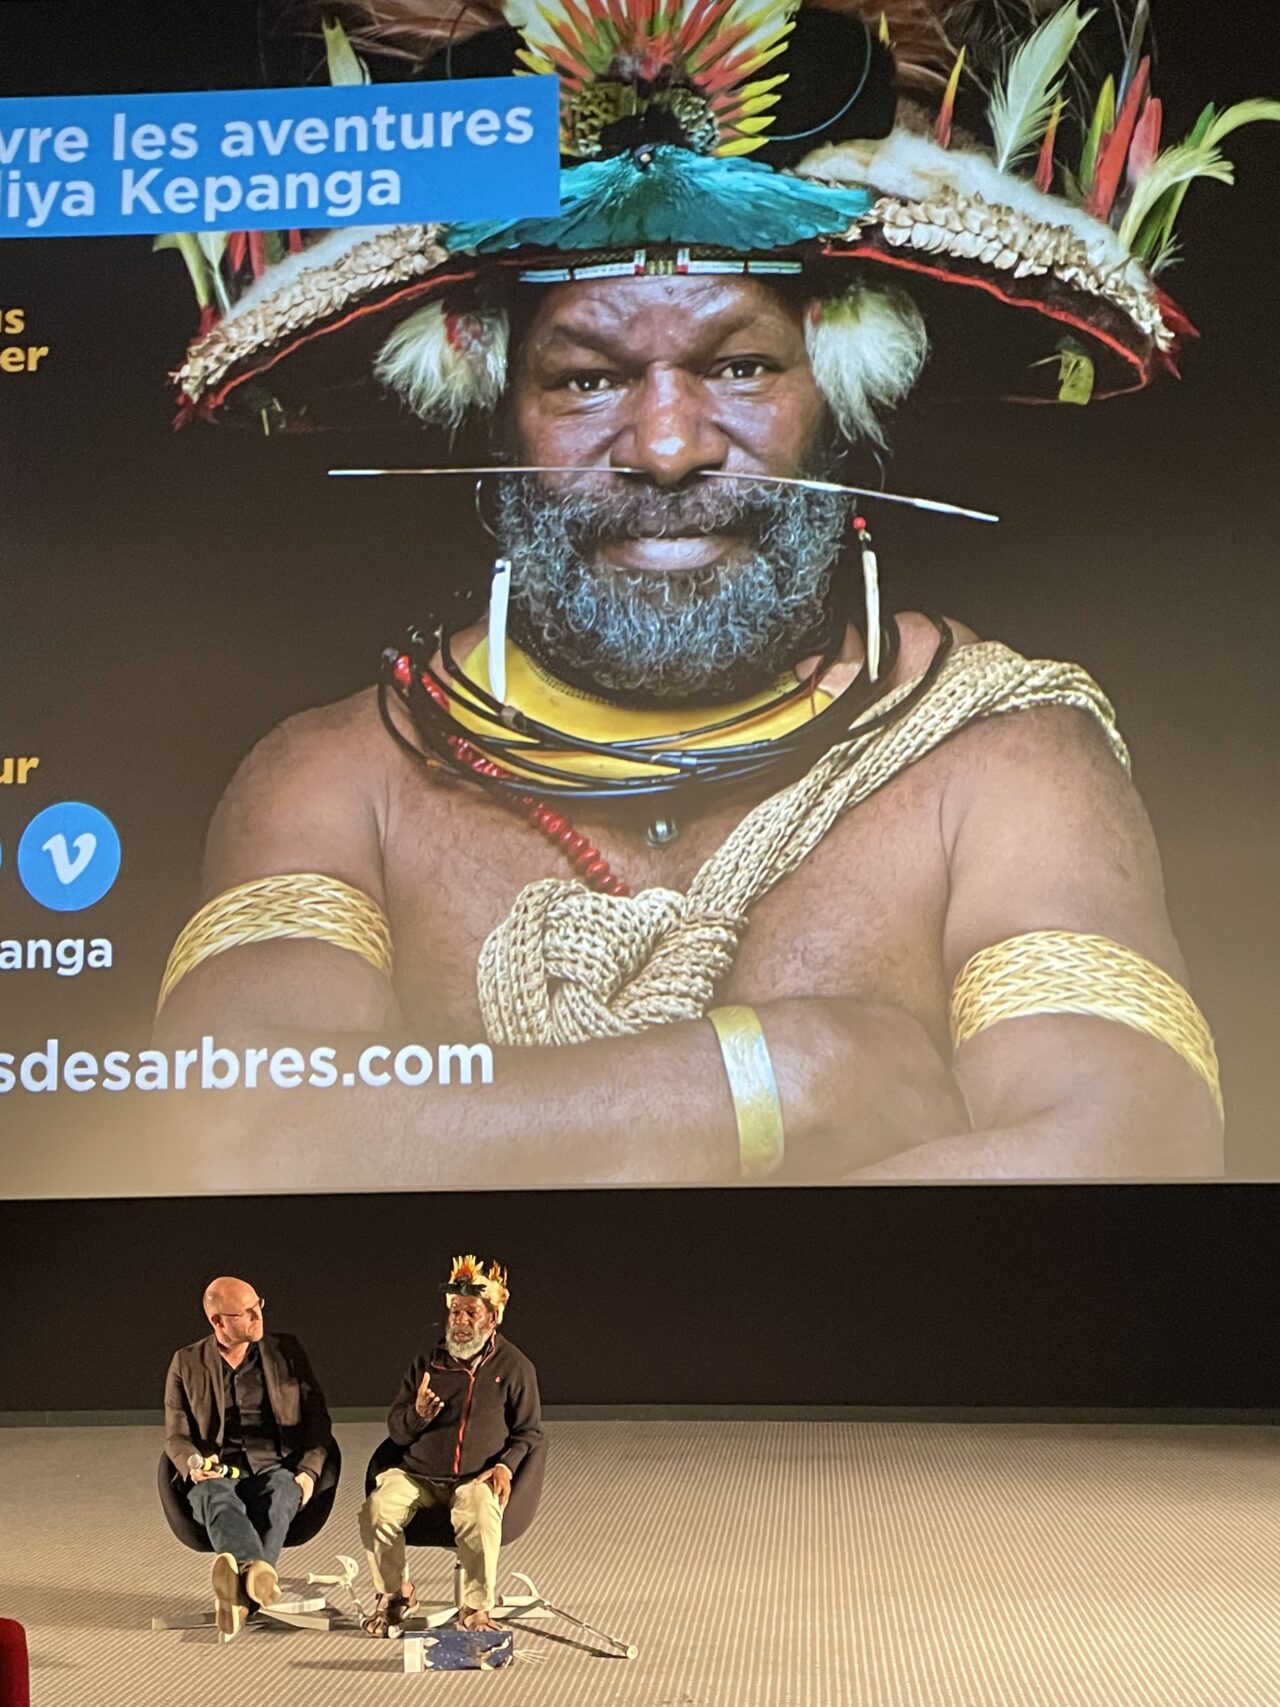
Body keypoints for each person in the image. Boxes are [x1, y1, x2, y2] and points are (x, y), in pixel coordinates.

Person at [152, 1, 1270, 1185]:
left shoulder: (997, 758)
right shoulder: (340, 776)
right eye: (585, 380)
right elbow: (229, 1137)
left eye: (739, 365)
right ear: (493, 408)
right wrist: (774, 1082)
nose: (670, 445)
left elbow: (1127, 1147)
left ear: (837, 387)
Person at [358, 1255, 541, 1637]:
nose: (460, 1320)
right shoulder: (427, 1362)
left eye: (471, 1312)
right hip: (417, 1475)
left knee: (479, 1511)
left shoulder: (515, 1367)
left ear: (493, 1318)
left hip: (474, 1477)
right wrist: (418, 1414)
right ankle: (396, 1594)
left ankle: (475, 1608)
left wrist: (506, 1465)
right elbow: (396, 1429)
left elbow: (529, 1433)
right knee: (376, 1510)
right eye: (456, 1311)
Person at [164, 1276, 332, 1636]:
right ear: (218, 1321)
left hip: (278, 1464)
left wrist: (308, 1471)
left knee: (281, 1495)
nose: (258, 1316)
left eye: (259, 1306)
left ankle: (238, 1594)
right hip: (217, 1468)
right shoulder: (187, 1362)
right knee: (217, 1498)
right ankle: (254, 1581)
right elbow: (176, 1434)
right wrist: (193, 1466)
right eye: (246, 1312)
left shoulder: (285, 1351)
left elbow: (318, 1419)